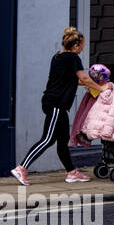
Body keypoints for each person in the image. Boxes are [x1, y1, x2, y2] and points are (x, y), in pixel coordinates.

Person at [13, 27, 103, 184]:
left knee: (62, 140)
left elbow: (75, 80)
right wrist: (102, 88)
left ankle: (72, 172)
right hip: (57, 104)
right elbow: (84, 78)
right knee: (47, 139)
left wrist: (93, 85)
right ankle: (21, 168)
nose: (83, 48)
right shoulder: (73, 57)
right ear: (75, 46)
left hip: (53, 102)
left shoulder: (58, 57)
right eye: (82, 45)